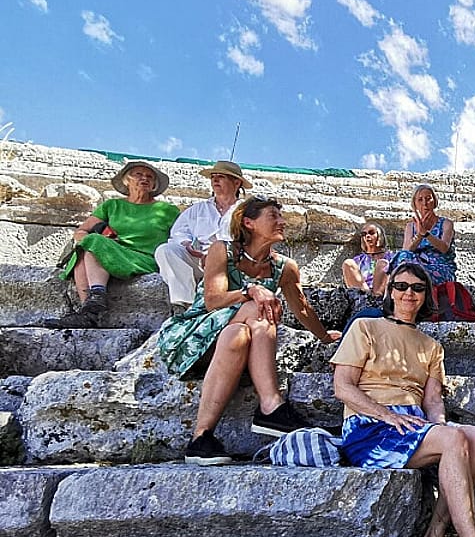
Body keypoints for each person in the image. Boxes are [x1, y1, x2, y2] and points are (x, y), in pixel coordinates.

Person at [331, 262, 475, 537]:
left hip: (411, 425)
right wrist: (386, 415)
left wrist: (444, 431)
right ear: (390, 291)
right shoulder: (365, 327)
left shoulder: (431, 346)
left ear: (425, 296)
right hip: (370, 428)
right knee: (453, 440)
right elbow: (343, 387)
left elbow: (433, 401)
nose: (409, 293)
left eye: (417, 288)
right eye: (401, 286)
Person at [158, 197, 341, 466]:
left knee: (238, 336)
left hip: (231, 339)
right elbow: (212, 300)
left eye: (281, 216)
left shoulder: (285, 267)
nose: (282, 221)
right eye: (273, 216)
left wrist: (325, 337)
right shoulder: (223, 250)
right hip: (196, 335)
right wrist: (250, 290)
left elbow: (301, 308)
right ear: (248, 223)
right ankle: (271, 405)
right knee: (258, 307)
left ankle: (200, 438)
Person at [46, 159, 180, 329]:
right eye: (138, 174)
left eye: (149, 177)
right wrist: (101, 243)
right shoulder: (112, 205)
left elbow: (180, 237)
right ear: (127, 180)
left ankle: (96, 297)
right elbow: (81, 232)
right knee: (87, 246)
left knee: (91, 243)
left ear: (153, 184)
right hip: (114, 251)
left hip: (147, 258)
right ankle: (89, 309)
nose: (144, 179)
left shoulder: (168, 210)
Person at [155, 160, 251, 309]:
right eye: (213, 177)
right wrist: (187, 244)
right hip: (199, 260)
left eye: (222, 177)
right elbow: (178, 233)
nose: (215, 180)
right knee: (165, 250)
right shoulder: (198, 209)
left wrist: (218, 255)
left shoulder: (247, 210)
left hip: (232, 263)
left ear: (237, 183)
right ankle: (188, 304)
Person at [375, 185, 456, 291]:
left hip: (439, 267)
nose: (424, 203)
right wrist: (419, 235)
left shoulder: (446, 223)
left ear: (434, 201)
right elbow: (406, 250)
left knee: (405, 269)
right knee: (402, 259)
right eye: (420, 200)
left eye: (428, 199)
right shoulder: (411, 226)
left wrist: (427, 234)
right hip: (416, 264)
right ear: (415, 204)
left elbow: (444, 248)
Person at [342, 222, 391, 291]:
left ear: (379, 235)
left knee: (382, 263)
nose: (367, 236)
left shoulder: (391, 257)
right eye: (364, 234)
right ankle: (366, 297)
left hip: (382, 293)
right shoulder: (358, 260)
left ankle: (374, 297)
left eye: (371, 233)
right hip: (362, 294)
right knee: (348, 263)